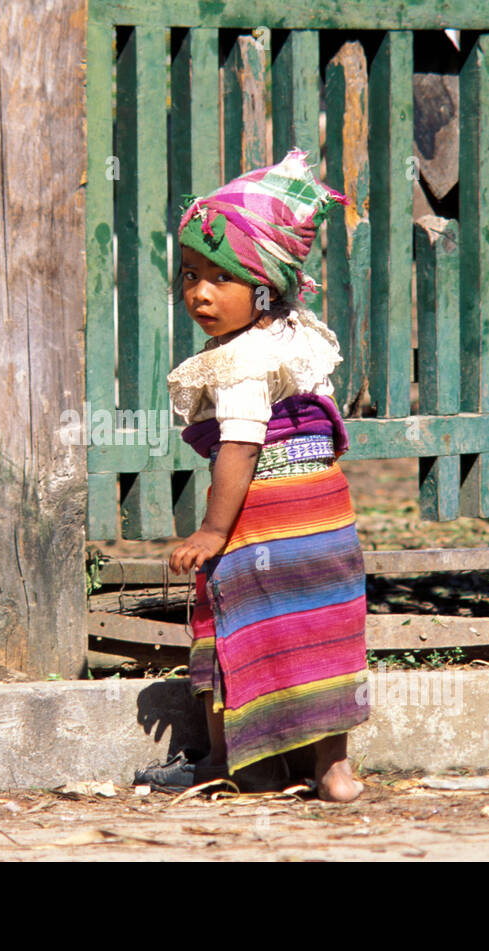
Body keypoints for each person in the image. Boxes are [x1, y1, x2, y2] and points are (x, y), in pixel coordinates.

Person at [135, 148, 369, 803]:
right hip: (324, 515)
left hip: (265, 515)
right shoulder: (298, 337)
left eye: (219, 278)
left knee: (229, 623)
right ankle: (333, 770)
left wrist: (213, 529)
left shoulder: (241, 362)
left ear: (264, 285)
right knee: (323, 629)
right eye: (189, 276)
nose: (198, 293)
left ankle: (224, 757)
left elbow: (239, 446)